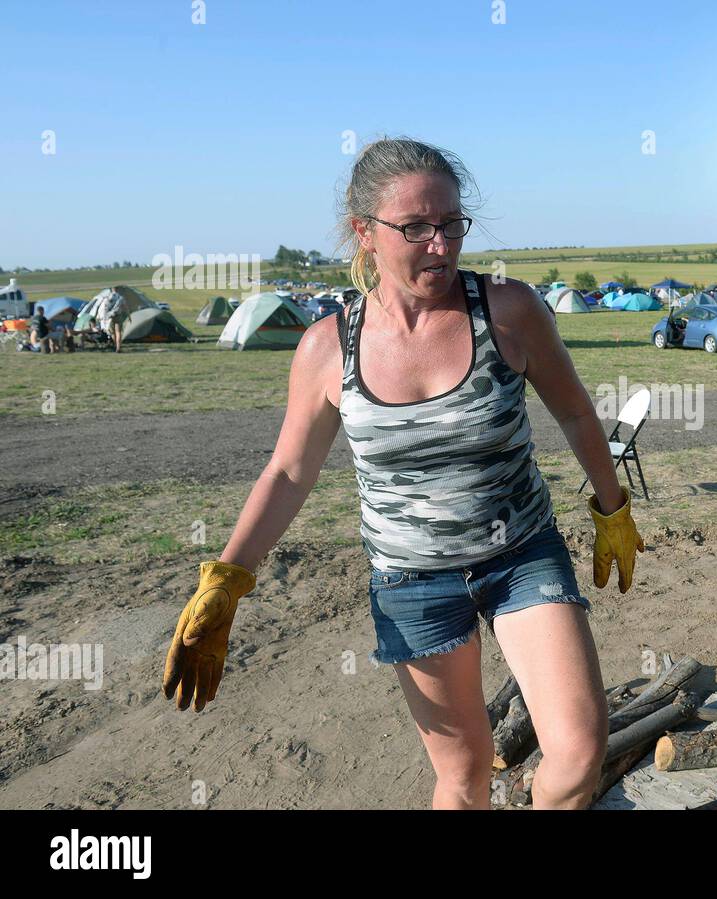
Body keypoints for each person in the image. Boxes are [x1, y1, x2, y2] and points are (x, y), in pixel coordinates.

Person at [161, 137, 645, 811]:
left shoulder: (509, 311)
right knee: (463, 775)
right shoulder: (327, 347)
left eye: (451, 224)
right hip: (412, 581)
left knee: (578, 749)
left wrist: (612, 508)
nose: (441, 245)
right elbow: (290, 471)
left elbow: (575, 414)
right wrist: (228, 577)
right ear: (365, 231)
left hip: (522, 553)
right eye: (416, 228)